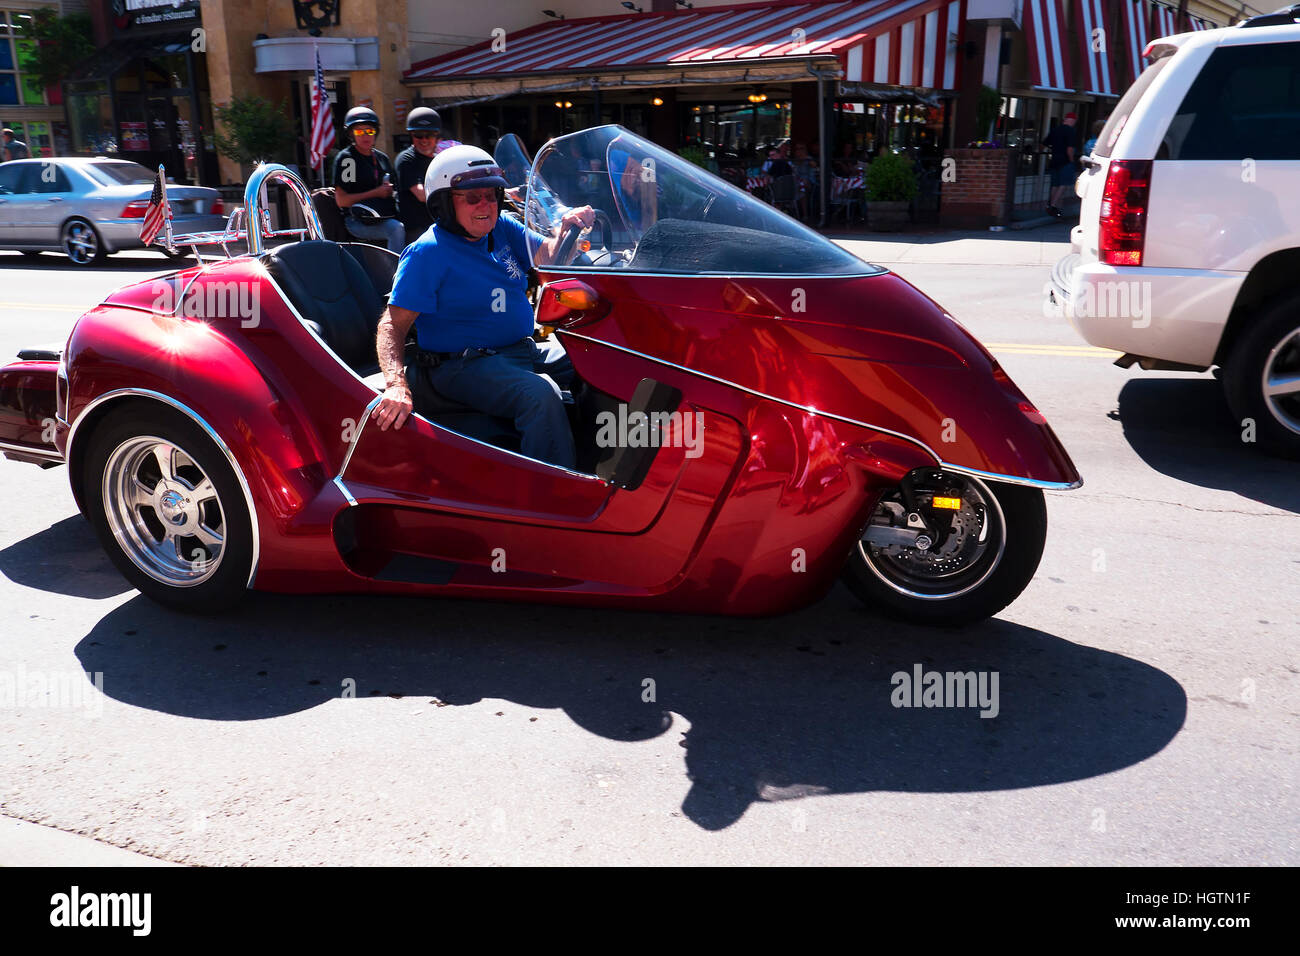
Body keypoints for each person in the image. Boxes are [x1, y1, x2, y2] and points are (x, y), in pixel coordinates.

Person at [369, 145, 595, 470]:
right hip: (462, 365)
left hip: (521, 349)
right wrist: (396, 385)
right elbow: (392, 325)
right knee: (539, 394)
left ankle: (605, 463)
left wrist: (567, 226)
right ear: (445, 203)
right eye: (472, 198)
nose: (485, 205)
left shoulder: (502, 226)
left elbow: (547, 255)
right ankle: (552, 500)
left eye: (491, 195)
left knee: (598, 356)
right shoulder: (427, 253)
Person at [332, 106, 404, 252]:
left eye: (369, 131)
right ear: (352, 134)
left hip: (382, 214)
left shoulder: (381, 158)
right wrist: (376, 192)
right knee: (396, 229)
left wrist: (389, 190)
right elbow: (342, 200)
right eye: (360, 131)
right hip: (357, 220)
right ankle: (396, 273)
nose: (366, 136)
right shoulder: (349, 160)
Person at [393, 107, 441, 246]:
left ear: (437, 136)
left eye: (429, 135)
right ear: (412, 136)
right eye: (419, 135)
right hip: (417, 229)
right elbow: (421, 194)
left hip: (438, 223)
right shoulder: (406, 159)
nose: (424, 140)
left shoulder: (438, 160)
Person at [1042, 111, 1078, 219]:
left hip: (1054, 160)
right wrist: (1071, 160)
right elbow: (1070, 149)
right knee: (1063, 185)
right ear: (1073, 121)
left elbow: (1043, 144)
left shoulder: (1055, 130)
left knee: (1055, 184)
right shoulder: (1071, 131)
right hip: (1065, 161)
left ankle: (1050, 205)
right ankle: (1053, 205)